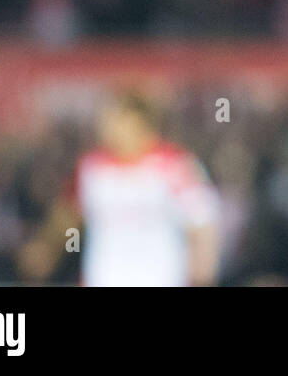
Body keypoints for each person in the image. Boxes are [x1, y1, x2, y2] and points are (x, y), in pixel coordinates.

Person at [19, 89, 221, 286]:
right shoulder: (91, 167)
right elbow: (69, 214)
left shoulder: (175, 165)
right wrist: (47, 249)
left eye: (116, 120)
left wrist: (203, 266)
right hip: (104, 277)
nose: (108, 127)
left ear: (140, 122)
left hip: (161, 278)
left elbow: (202, 220)